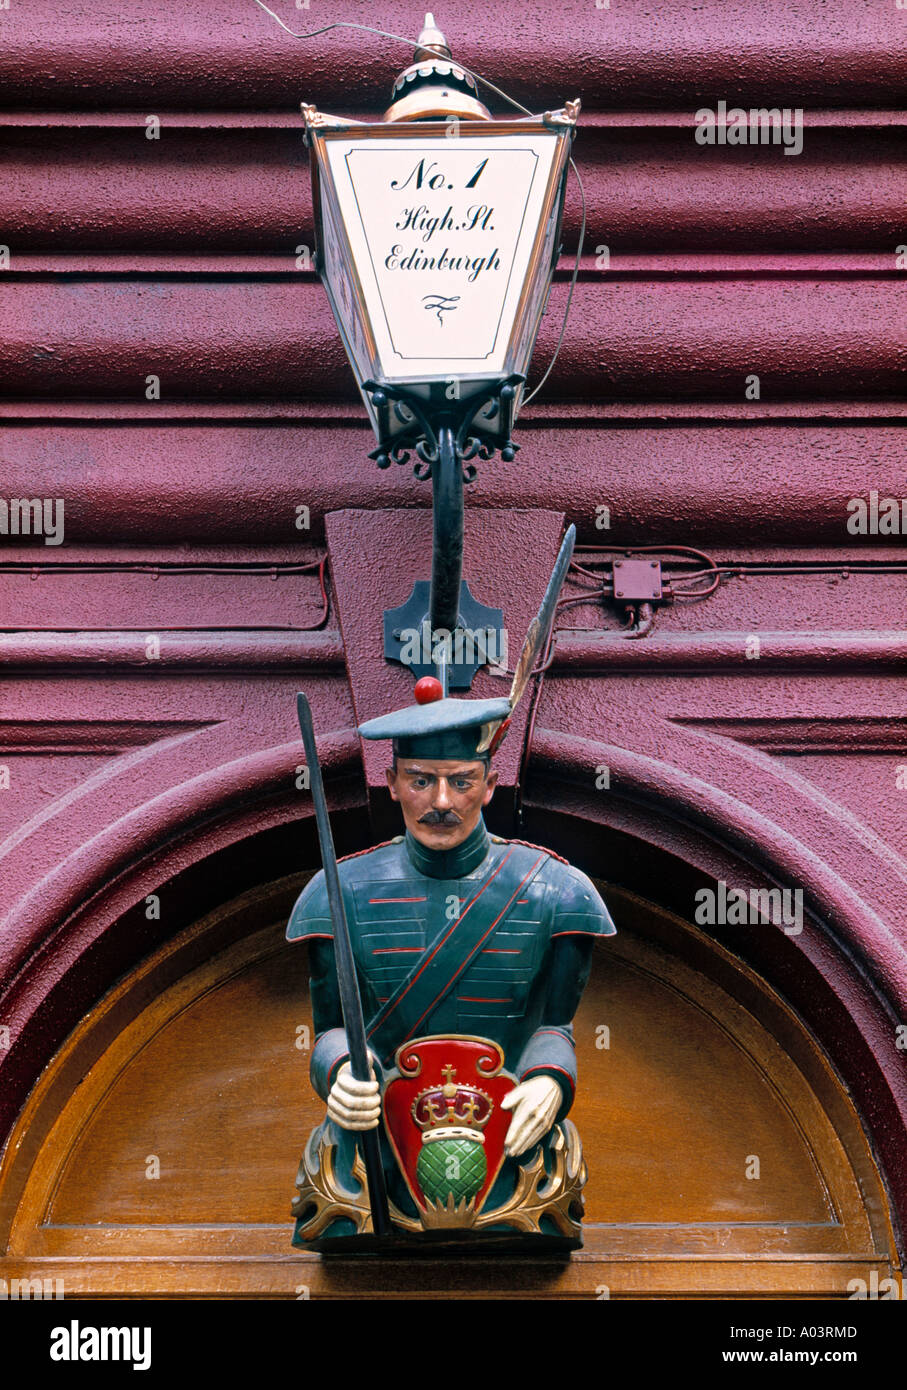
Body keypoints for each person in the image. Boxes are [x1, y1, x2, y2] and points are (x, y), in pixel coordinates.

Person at [287, 676, 616, 1250]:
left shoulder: (558, 893)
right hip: (375, 1166)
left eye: (460, 782)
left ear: (489, 786)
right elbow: (332, 1029)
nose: (441, 802)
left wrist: (549, 1081)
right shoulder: (336, 892)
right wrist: (340, 1070)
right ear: (391, 784)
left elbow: (554, 1026)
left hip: (512, 1155)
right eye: (421, 780)